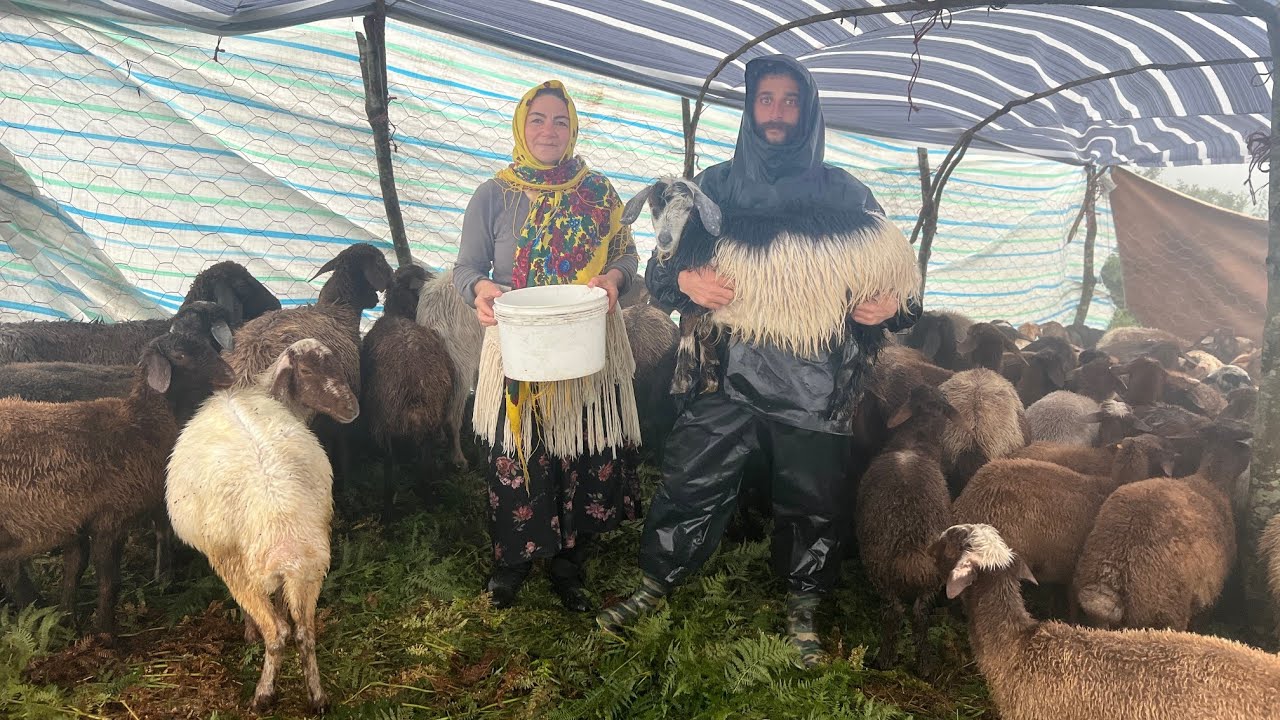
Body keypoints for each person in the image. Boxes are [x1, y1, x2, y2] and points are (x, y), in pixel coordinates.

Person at [596, 56, 922, 666]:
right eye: (765, 100)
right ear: (750, 109)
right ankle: (656, 582)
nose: (776, 113)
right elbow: (662, 274)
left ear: (808, 111)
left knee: (812, 497)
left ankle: (804, 606)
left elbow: (905, 291)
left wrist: (888, 306)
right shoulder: (714, 188)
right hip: (725, 370)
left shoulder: (846, 193)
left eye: (789, 101)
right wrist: (687, 284)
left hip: (816, 379)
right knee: (692, 477)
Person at [454, 80, 643, 613]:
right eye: (537, 119)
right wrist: (479, 289)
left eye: (560, 121)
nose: (548, 131)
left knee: (581, 446)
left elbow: (629, 259)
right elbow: (466, 268)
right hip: (521, 344)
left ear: (574, 128)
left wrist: (614, 279)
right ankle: (512, 562)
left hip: (586, 343)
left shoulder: (600, 193)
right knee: (518, 448)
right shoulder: (494, 194)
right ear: (521, 125)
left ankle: (569, 564)